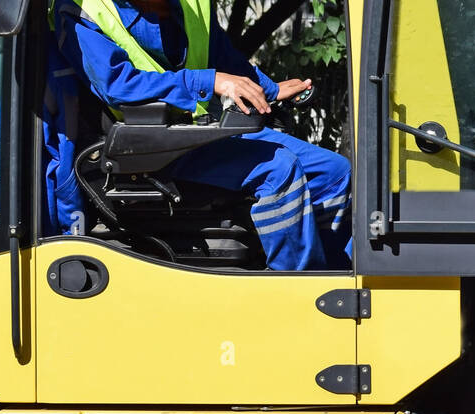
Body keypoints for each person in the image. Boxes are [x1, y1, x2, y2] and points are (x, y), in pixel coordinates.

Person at [44, 0, 352, 270]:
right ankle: (298, 287)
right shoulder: (81, 8)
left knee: (334, 172)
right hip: (143, 149)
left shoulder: (194, 5)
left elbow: (223, 58)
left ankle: (337, 278)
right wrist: (208, 81)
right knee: (278, 169)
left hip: (197, 132)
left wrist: (268, 90)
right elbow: (118, 86)